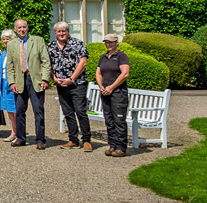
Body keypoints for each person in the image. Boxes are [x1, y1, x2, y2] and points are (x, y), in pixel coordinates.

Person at [7, 18, 51, 149]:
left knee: (38, 111)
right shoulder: (11, 44)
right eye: (19, 27)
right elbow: (9, 66)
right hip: (19, 82)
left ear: (27, 28)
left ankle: (40, 140)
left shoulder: (38, 41)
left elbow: (46, 61)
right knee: (20, 111)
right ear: (15, 29)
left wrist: (45, 79)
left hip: (35, 80)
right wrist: (12, 82)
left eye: (24, 27)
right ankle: (21, 138)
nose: (22, 30)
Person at [49, 21, 92, 152]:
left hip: (77, 83)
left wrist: (72, 79)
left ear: (68, 32)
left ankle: (86, 140)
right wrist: (54, 78)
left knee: (80, 111)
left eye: (64, 31)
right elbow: (48, 64)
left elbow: (83, 63)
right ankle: (73, 140)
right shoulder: (51, 46)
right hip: (61, 84)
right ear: (55, 33)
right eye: (59, 31)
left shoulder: (78, 44)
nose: (61, 34)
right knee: (67, 112)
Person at [97, 34, 130, 157]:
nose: (108, 44)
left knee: (119, 120)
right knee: (109, 120)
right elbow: (99, 73)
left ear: (117, 43)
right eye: (106, 42)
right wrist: (101, 86)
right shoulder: (103, 57)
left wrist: (112, 87)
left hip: (118, 93)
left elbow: (125, 73)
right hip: (105, 92)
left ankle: (121, 147)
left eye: (111, 42)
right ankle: (112, 145)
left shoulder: (121, 56)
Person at [0, 29, 18, 141]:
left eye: (8, 39)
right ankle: (13, 132)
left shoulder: (16, 52)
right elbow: (1, 70)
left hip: (13, 83)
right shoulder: (3, 53)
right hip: (4, 82)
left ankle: (19, 133)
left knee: (15, 110)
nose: (5, 41)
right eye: (4, 39)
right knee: (9, 110)